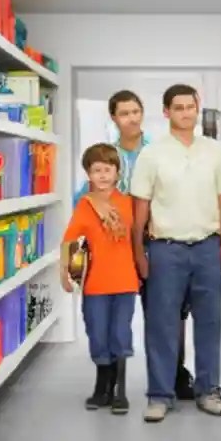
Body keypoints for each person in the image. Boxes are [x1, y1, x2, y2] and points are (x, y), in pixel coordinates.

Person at [74, 90, 197, 401]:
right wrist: (96, 200)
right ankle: (111, 384)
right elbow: (82, 198)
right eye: (124, 113)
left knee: (168, 314)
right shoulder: (106, 157)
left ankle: (175, 377)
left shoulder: (159, 151)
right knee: (114, 319)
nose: (131, 118)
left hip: (155, 244)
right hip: (115, 250)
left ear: (144, 113)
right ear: (113, 118)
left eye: (136, 111)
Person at [130, 84, 221, 422]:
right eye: (178, 107)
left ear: (197, 109)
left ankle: (208, 390)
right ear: (167, 112)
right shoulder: (152, 154)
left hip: (207, 248)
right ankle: (160, 395)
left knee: (210, 322)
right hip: (165, 249)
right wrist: (139, 253)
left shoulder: (215, 151)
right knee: (161, 324)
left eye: (191, 107)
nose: (186, 113)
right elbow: (140, 207)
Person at [60, 143, 140, 414]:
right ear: (88, 174)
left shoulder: (129, 203)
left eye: (108, 169)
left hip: (126, 281)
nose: (103, 175)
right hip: (95, 283)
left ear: (118, 173)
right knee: (97, 333)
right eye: (97, 170)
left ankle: (120, 391)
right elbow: (69, 240)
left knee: (120, 333)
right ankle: (101, 384)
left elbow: (140, 238)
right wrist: (65, 273)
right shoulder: (85, 205)